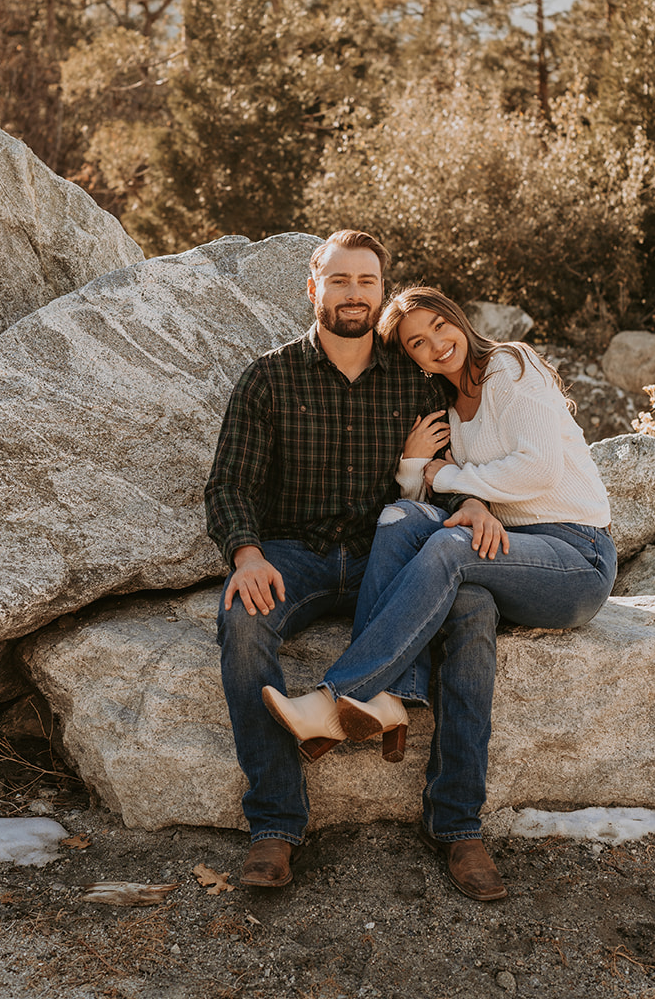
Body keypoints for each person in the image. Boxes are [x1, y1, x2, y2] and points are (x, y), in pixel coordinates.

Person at [262, 286, 616, 885]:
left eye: (438, 327)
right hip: (500, 554)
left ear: (457, 318)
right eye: (417, 343)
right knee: (405, 525)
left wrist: (449, 476)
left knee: (449, 547)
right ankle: (451, 816)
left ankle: (341, 694)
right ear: (412, 358)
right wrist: (419, 468)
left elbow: (537, 469)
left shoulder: (510, 365)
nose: (436, 345)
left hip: (573, 556)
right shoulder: (447, 410)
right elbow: (425, 495)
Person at [205, 234, 509, 900]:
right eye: (338, 280)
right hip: (295, 555)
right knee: (242, 619)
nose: (353, 294)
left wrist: (473, 502)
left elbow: (449, 469)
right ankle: (276, 825)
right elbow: (228, 486)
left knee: (475, 609)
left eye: (366, 281)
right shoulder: (269, 378)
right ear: (312, 289)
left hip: (389, 554)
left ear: (381, 291)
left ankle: (457, 824)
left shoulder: (415, 379)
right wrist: (246, 555)